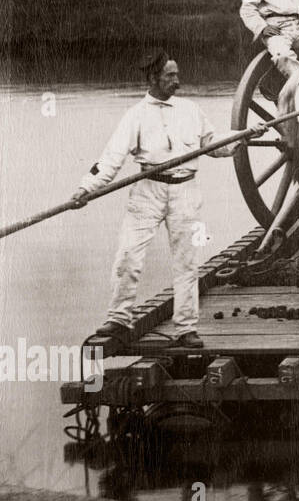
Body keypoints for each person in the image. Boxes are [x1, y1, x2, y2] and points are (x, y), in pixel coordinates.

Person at [70, 51, 267, 351]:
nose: (177, 81)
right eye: (170, 76)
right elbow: (110, 159)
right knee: (128, 256)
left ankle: (186, 328)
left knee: (186, 264)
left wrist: (242, 135)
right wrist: (85, 189)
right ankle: (119, 319)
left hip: (185, 192)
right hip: (148, 190)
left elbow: (214, 146)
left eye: (177, 74)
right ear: (152, 79)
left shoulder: (190, 109)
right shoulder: (135, 115)